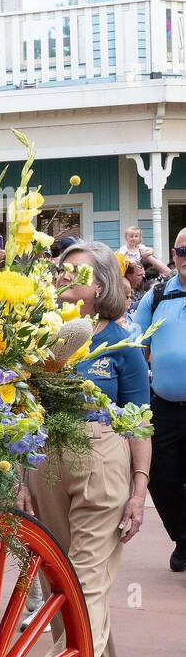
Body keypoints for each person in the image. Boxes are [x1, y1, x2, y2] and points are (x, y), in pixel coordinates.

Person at [21, 241, 149, 657]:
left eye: (76, 274)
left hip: (103, 454)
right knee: (59, 575)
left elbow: (138, 418)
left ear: (101, 286)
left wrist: (139, 491)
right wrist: (20, 479)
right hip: (44, 460)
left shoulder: (121, 342)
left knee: (87, 575)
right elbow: (22, 410)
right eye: (60, 271)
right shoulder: (37, 337)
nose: (63, 279)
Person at [133, 225, 186, 572]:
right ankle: (183, 537)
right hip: (165, 407)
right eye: (183, 251)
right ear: (174, 254)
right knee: (161, 476)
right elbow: (136, 343)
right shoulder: (157, 295)